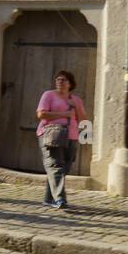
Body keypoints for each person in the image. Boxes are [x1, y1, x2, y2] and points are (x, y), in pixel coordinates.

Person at [36, 70, 87, 210]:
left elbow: (83, 119)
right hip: (51, 134)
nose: (59, 82)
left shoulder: (76, 100)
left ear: (70, 83)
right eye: (58, 79)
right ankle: (60, 199)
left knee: (64, 168)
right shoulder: (48, 95)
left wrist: (75, 106)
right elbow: (41, 114)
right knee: (55, 165)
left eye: (63, 80)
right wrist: (63, 113)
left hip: (71, 135)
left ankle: (48, 198)